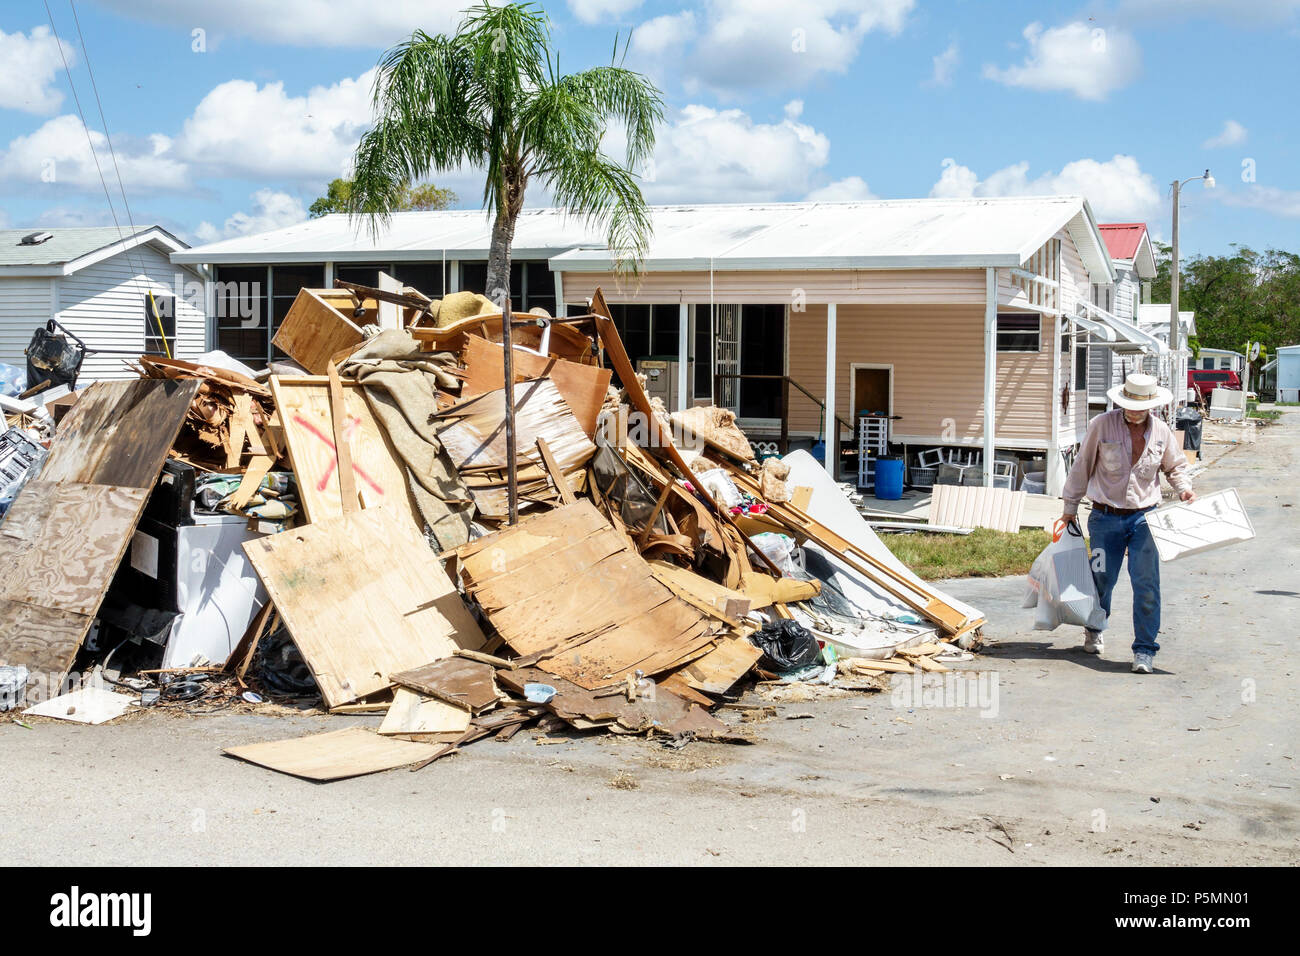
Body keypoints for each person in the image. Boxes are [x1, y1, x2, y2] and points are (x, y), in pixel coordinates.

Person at [1060, 372, 1195, 673]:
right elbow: (1082, 466)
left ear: (1151, 405)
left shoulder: (1161, 431)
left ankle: (1145, 650)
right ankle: (1095, 627)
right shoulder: (1101, 425)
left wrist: (1184, 488)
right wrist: (1069, 506)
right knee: (1101, 578)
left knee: (1146, 583)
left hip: (1145, 517)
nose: (1133, 410)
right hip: (1104, 517)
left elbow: (1175, 467)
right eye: (1128, 404)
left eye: (1139, 406)